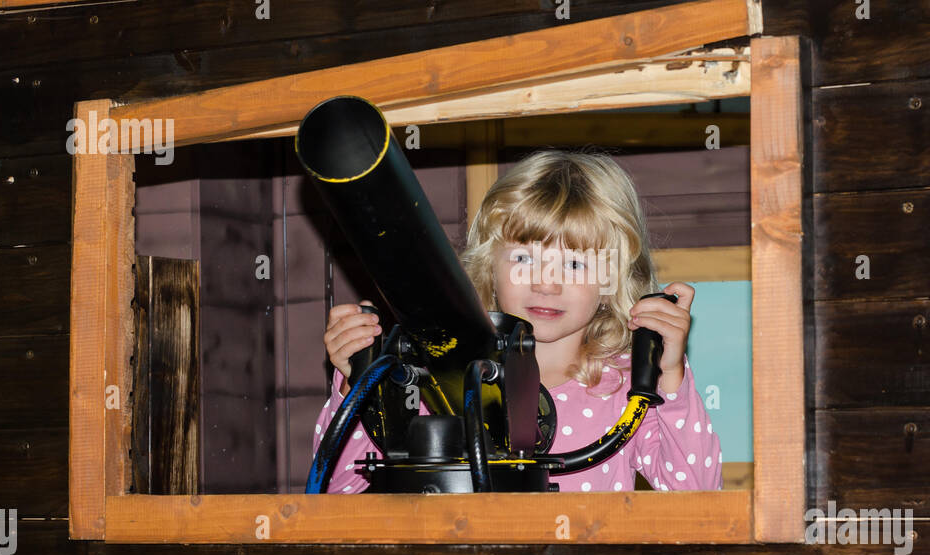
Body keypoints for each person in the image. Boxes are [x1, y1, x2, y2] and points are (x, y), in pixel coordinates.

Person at [309, 149, 722, 493]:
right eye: (525, 258)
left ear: (613, 279)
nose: (546, 283)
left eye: (575, 264)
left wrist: (668, 378)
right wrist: (357, 385)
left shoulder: (628, 387)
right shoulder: (437, 375)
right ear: (490, 265)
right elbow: (337, 490)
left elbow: (699, 497)